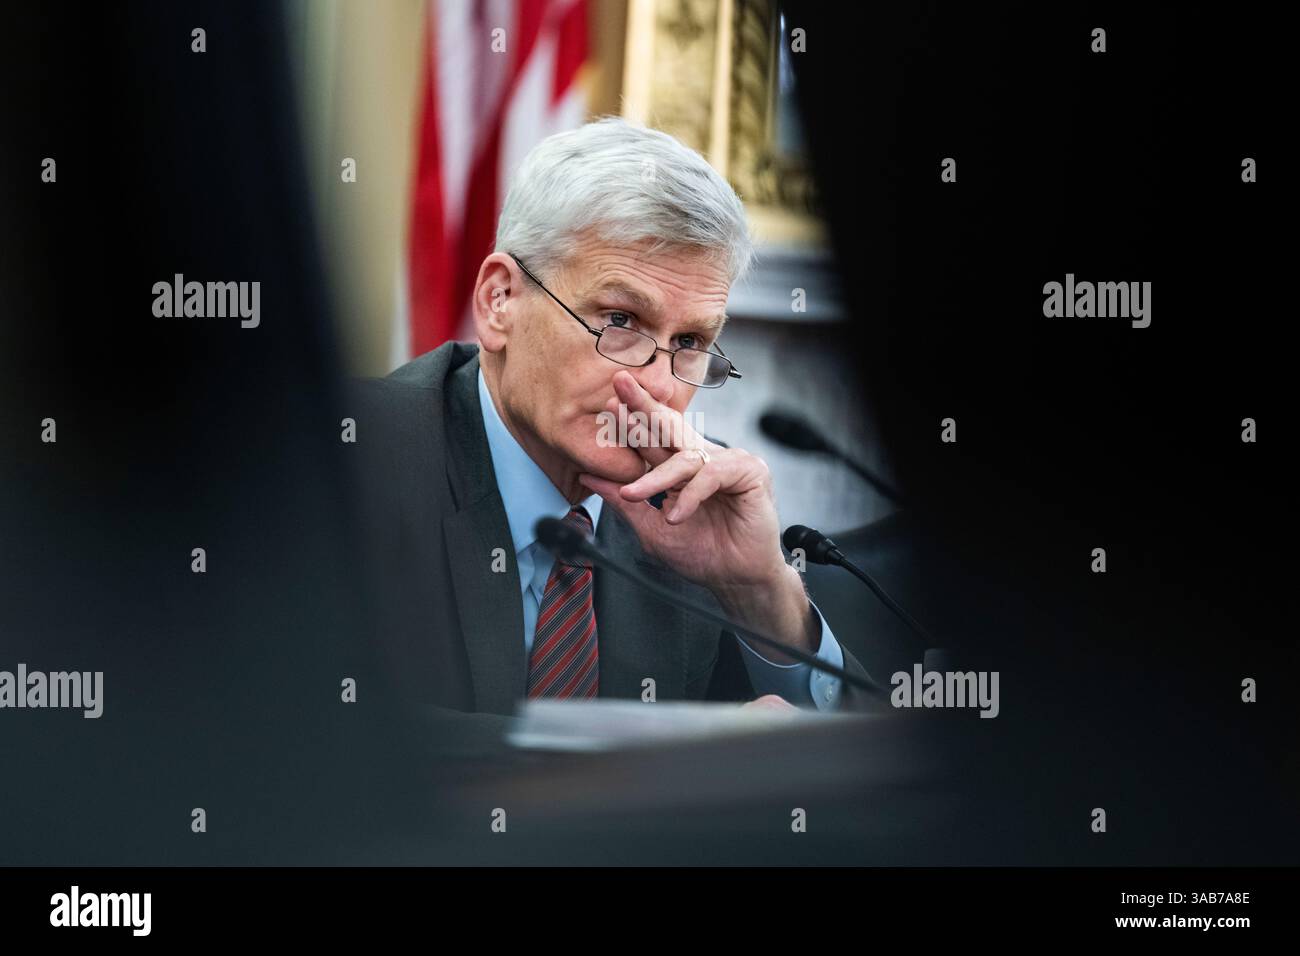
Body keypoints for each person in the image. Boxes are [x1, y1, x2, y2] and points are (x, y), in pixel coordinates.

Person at [351, 118, 876, 744]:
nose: (657, 386)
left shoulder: (694, 501)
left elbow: (869, 774)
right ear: (499, 301)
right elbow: (322, 735)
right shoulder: (350, 458)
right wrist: (639, 760)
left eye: (690, 342)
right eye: (621, 320)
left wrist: (759, 592)